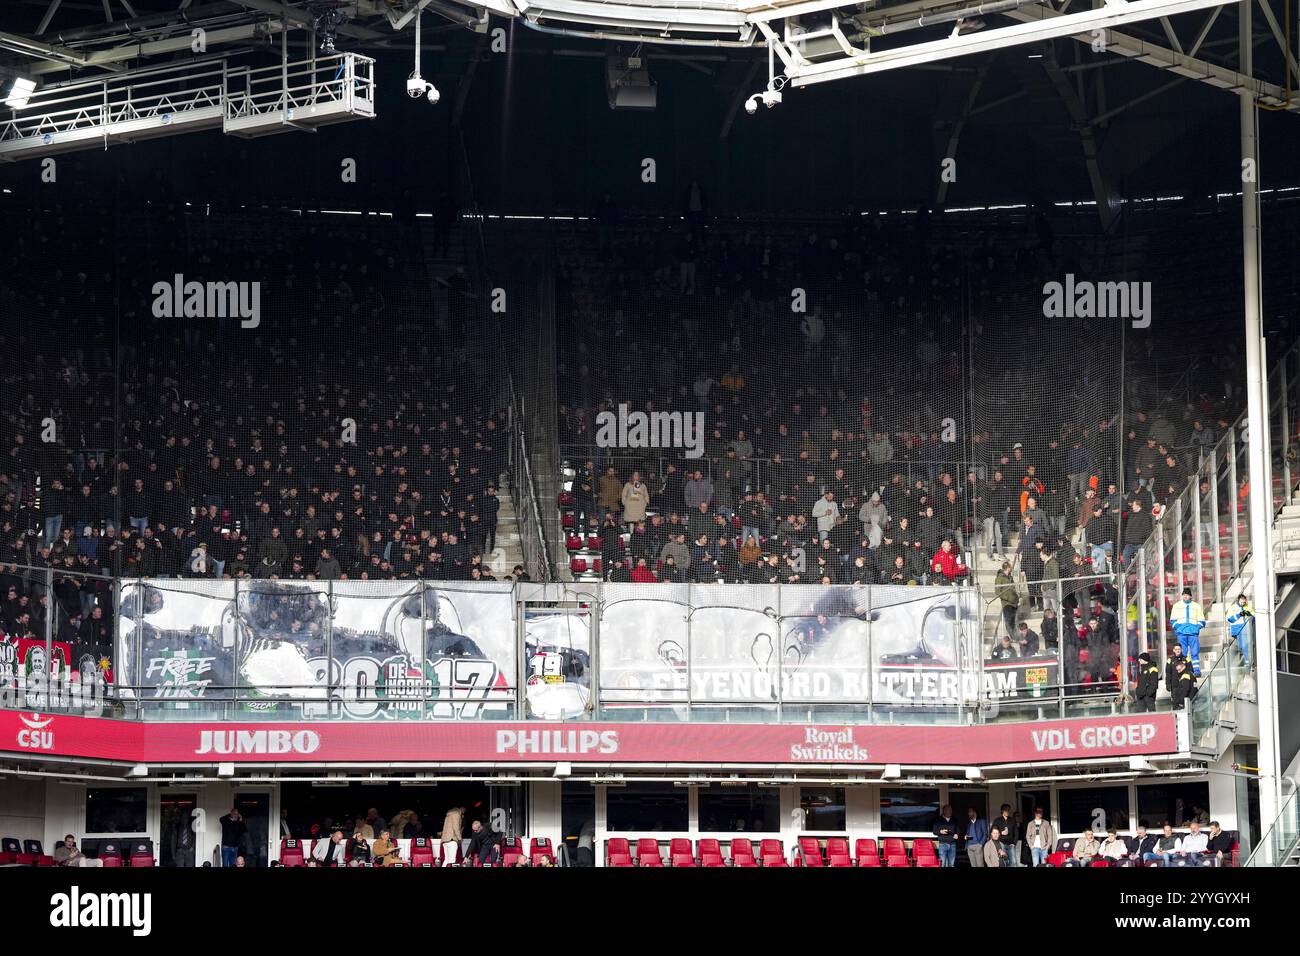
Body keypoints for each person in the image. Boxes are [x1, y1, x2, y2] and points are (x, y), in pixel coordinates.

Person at [1168, 587, 1206, 675]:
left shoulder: (1196, 606)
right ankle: (1184, 671)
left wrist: (1196, 628)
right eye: (1184, 595)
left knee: (1194, 652)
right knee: (1183, 653)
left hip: (1193, 633)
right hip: (1181, 633)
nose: (1185, 597)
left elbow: (1202, 621)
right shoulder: (1177, 606)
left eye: (1187, 595)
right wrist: (1178, 628)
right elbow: (1172, 620)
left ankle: (1196, 671)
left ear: (1190, 596)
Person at [1226, 594, 1253, 668]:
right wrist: (1239, 615)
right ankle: (1246, 660)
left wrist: (1250, 614)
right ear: (1238, 600)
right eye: (1241, 602)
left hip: (1245, 629)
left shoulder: (1247, 607)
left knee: (1245, 646)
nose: (1242, 604)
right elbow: (1229, 619)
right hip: (1237, 629)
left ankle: (1247, 662)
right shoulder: (1233, 608)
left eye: (1244, 602)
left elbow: (1254, 616)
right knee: (1241, 646)